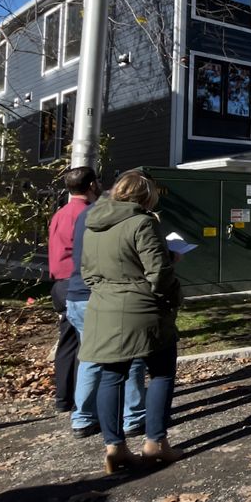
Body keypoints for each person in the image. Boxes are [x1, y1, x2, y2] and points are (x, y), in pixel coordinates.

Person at [80, 170, 183, 473]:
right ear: (145, 195)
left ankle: (115, 448)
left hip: (103, 308)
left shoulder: (92, 226)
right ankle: (155, 444)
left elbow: (87, 273)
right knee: (162, 373)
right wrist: (175, 292)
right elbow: (159, 274)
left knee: (111, 377)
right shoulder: (143, 222)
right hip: (144, 309)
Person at [62, 168, 146, 440]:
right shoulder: (126, 219)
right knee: (131, 357)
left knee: (91, 358)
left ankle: (83, 419)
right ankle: (133, 417)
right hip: (102, 296)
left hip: (76, 294)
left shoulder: (87, 215)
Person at [48, 167, 96, 414]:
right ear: (92, 185)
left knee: (67, 343)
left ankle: (63, 398)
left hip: (58, 284)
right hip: (78, 283)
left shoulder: (60, 214)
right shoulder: (86, 214)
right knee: (86, 345)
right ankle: (83, 402)